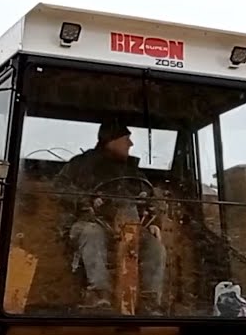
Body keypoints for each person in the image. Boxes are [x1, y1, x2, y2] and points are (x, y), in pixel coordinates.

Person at [53, 119, 168, 311]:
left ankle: (149, 302)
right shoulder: (80, 164)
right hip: (89, 221)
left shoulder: (133, 171)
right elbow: (59, 187)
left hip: (129, 226)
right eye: (126, 139)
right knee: (92, 233)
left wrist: (154, 221)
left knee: (155, 247)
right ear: (111, 141)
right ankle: (99, 295)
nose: (130, 144)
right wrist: (86, 199)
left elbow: (150, 197)